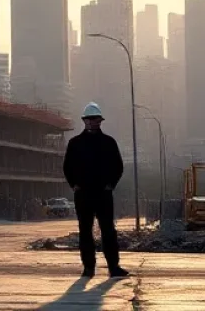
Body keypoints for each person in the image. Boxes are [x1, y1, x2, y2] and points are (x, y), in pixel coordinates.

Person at [62, 102, 129, 278]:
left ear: (100, 120)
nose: (92, 122)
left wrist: (110, 185)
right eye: (89, 119)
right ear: (84, 121)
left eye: (95, 119)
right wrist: (73, 184)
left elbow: (118, 166)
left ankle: (113, 267)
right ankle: (88, 267)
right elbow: (67, 166)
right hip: (83, 193)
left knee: (108, 230)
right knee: (85, 230)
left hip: (103, 193)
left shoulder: (108, 142)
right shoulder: (75, 143)